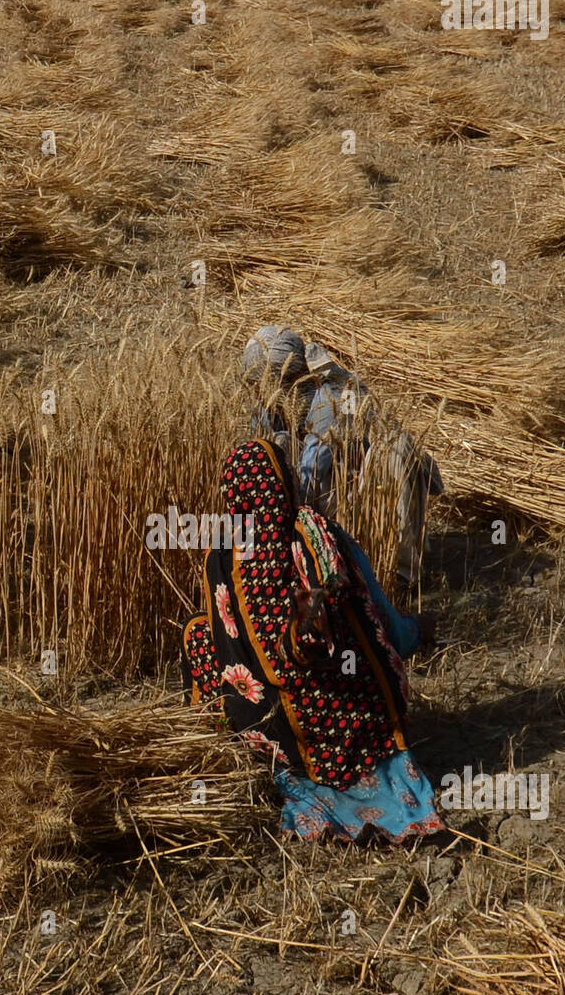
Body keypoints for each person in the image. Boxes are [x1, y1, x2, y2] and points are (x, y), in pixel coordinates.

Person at [181, 437, 445, 843]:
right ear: (283, 483)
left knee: (198, 633)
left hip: (266, 732)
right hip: (344, 726)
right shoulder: (313, 535)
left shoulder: (219, 552)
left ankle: (218, 744)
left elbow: (233, 639)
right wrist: (418, 631)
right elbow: (380, 624)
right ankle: (362, 775)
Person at [242, 326, 443, 589]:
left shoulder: (334, 398)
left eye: (263, 385)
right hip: (325, 501)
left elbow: (310, 475)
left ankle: (398, 573)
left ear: (294, 378)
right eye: (254, 385)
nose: (257, 394)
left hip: (364, 496)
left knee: (394, 449)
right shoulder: (274, 401)